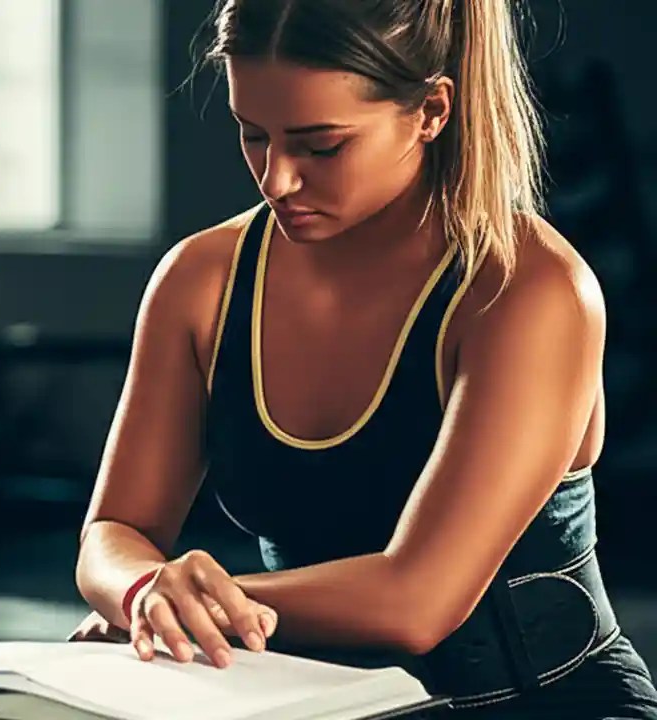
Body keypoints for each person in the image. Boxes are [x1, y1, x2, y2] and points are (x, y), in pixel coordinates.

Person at [69, 0, 657, 717]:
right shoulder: (201, 280)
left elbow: (417, 600)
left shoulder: (528, 290)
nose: (277, 179)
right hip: (316, 706)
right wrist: (143, 589)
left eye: (321, 147)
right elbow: (113, 535)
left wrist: (187, 605)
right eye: (253, 135)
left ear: (431, 112)